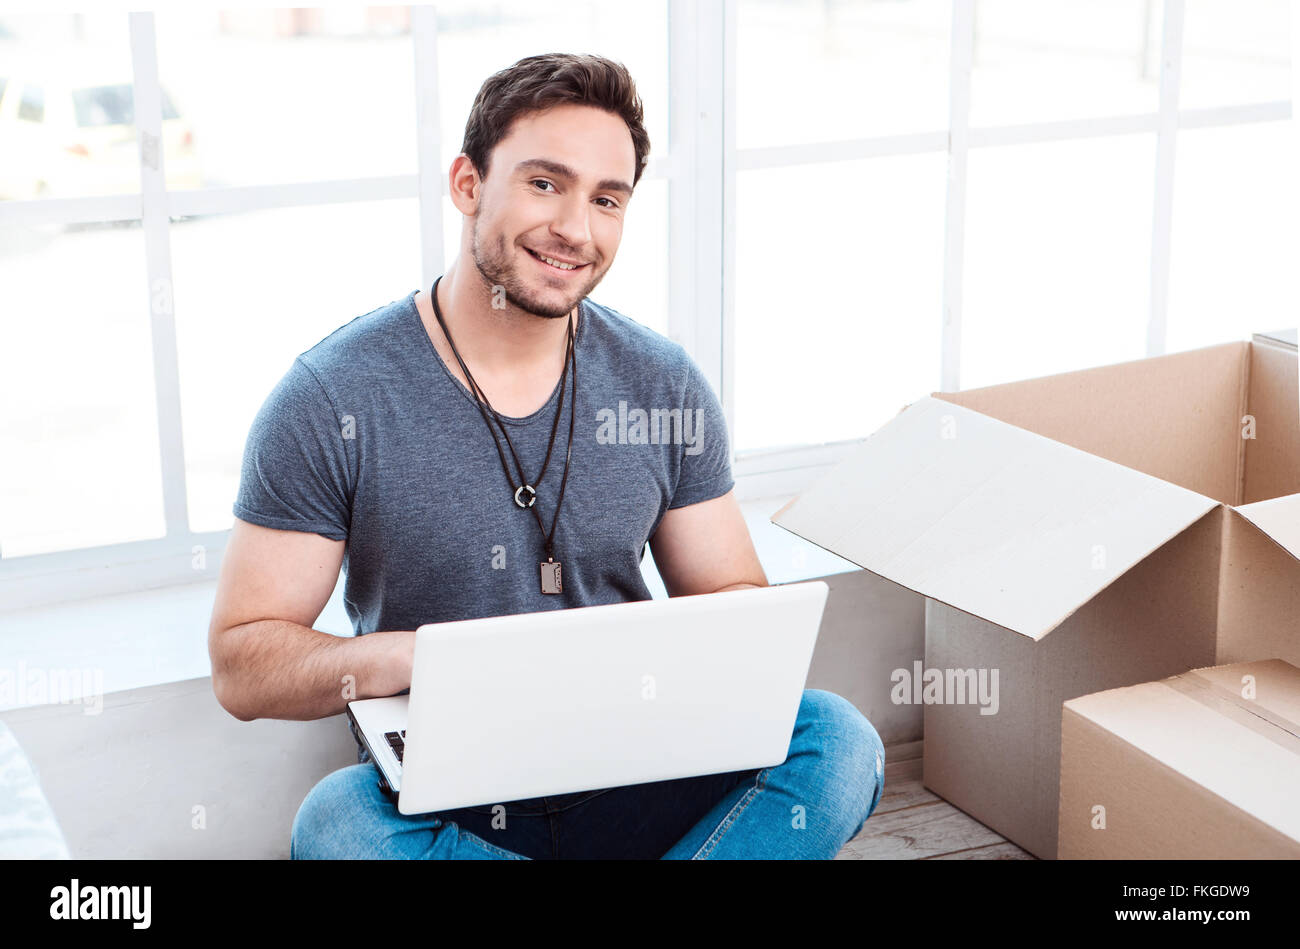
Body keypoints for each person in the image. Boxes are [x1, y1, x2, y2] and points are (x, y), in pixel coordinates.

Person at [208, 52, 884, 860]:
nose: (576, 228)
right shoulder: (333, 397)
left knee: (835, 739)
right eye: (543, 184)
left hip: (644, 763)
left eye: (607, 199)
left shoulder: (661, 383)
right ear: (467, 184)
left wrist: (653, 660)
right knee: (338, 823)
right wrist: (421, 657)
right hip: (455, 800)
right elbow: (244, 663)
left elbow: (733, 593)